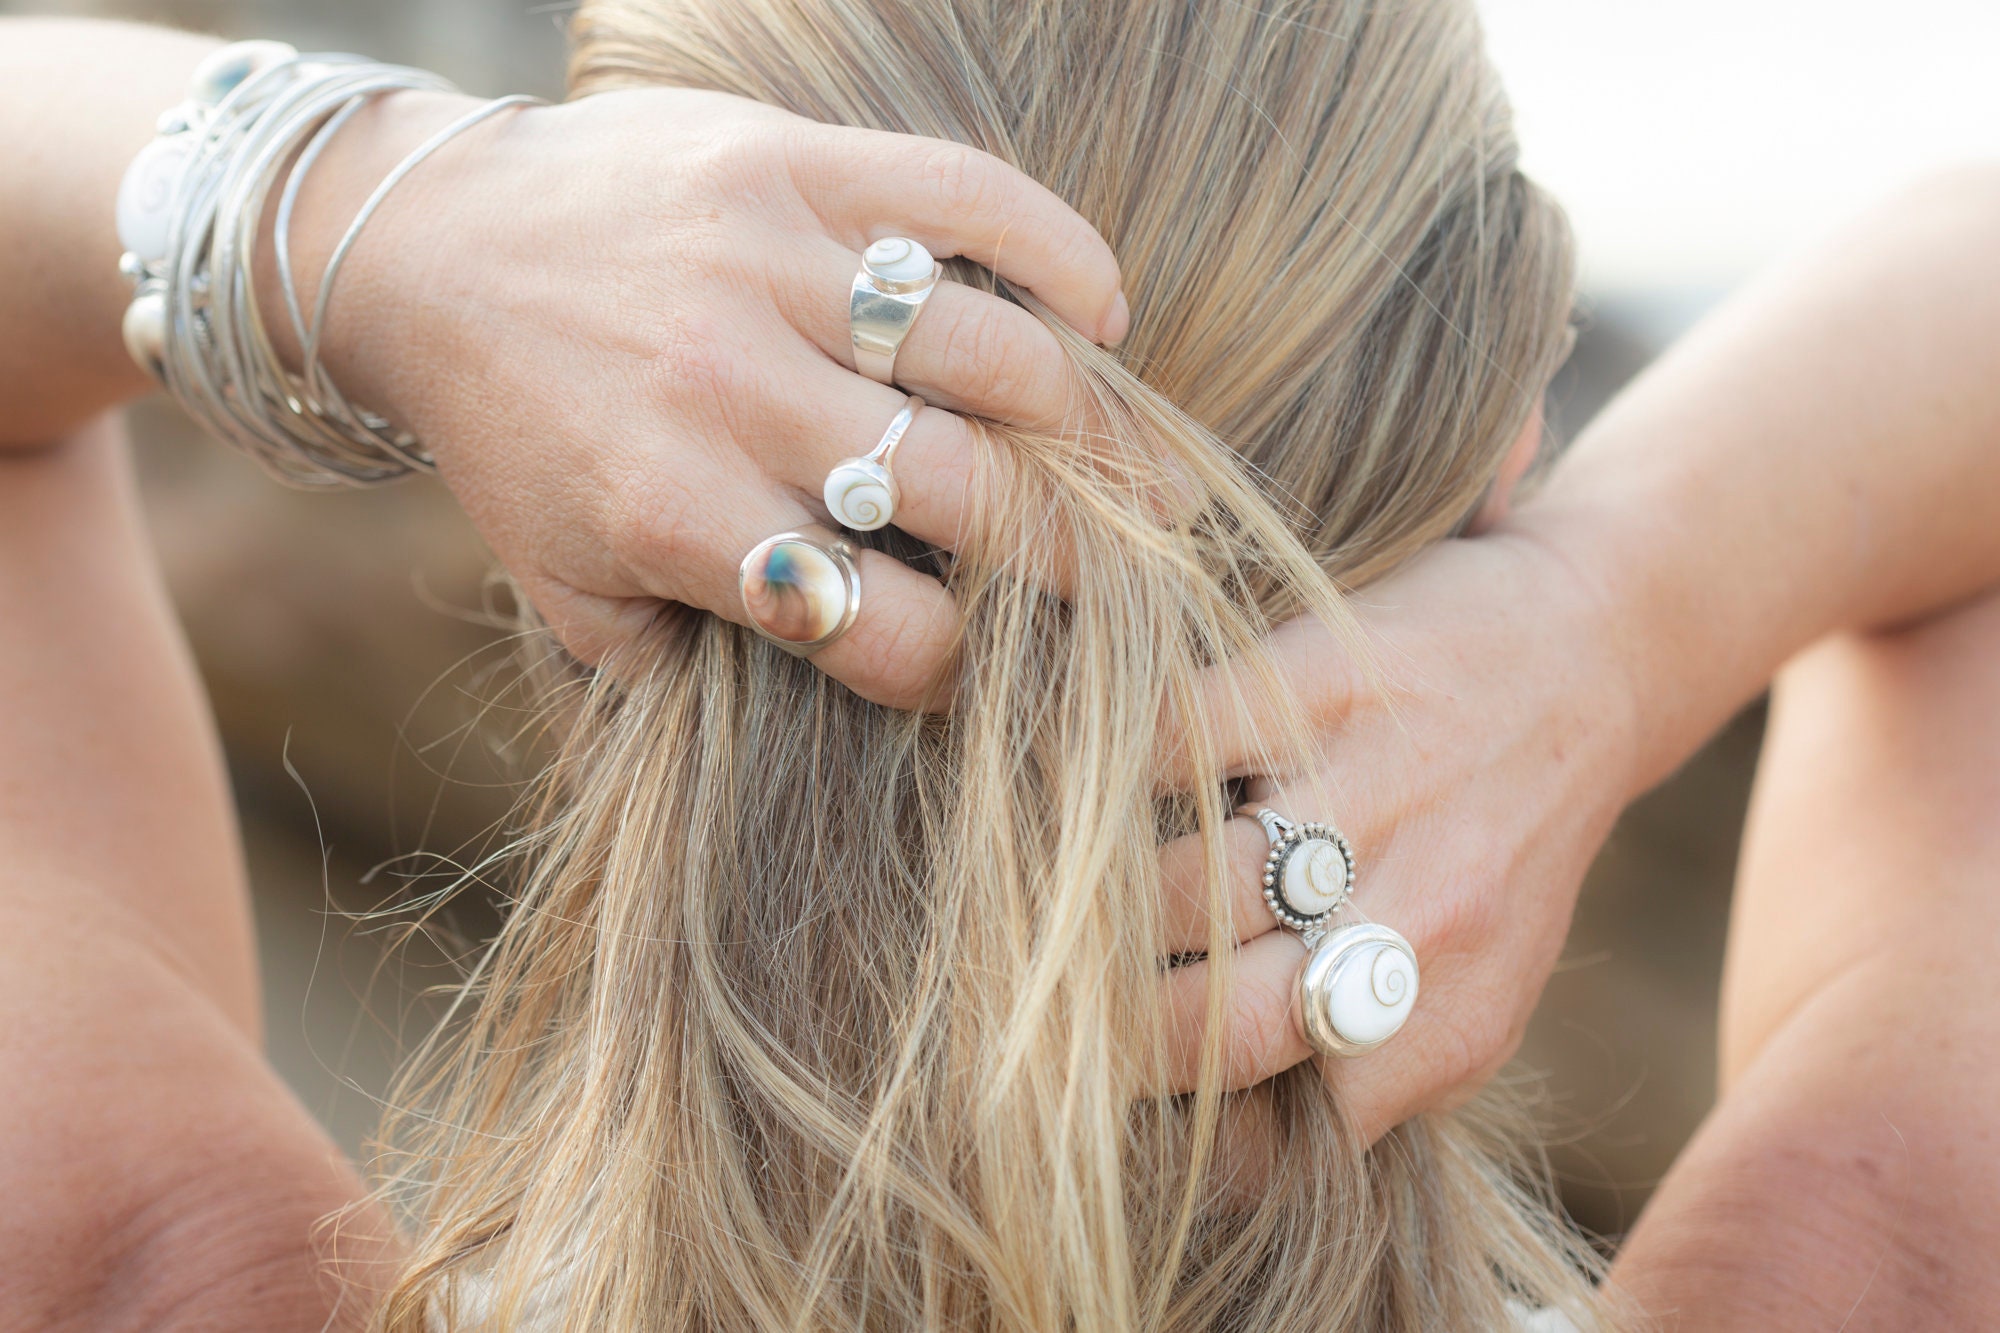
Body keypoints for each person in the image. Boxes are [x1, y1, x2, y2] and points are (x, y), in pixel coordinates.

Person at [1, 6, 1997, 1333]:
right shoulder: (1876, 1265)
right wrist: (1617, 618)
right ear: (1505, 450)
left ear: (554, 564)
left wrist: (362, 206)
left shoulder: (133, 1269)